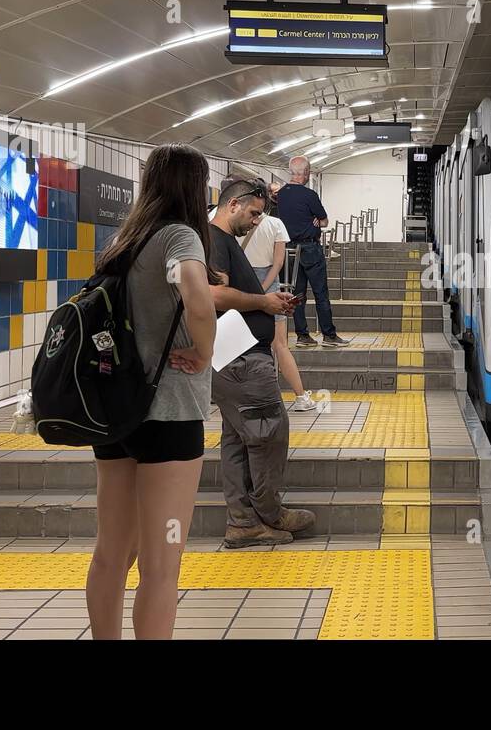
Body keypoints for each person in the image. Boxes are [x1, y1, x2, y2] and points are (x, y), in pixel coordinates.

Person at [84, 143, 219, 640]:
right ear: (194, 187)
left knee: (111, 553)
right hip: (170, 415)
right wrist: (203, 350)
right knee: (162, 566)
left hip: (117, 413)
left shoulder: (124, 239)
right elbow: (196, 296)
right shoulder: (180, 236)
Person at [204, 179, 315, 547]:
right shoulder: (215, 240)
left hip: (228, 357)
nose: (255, 222)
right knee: (269, 432)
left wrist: (268, 302)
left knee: (236, 439)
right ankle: (271, 513)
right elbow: (215, 295)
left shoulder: (217, 241)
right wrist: (265, 303)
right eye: (253, 214)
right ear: (233, 204)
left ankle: (242, 522)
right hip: (242, 360)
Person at [238, 178, 318, 412]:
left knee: (236, 341)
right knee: (280, 345)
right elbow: (278, 262)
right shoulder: (275, 224)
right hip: (268, 283)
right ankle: (301, 397)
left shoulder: (229, 220)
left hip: (238, 283)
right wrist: (263, 289)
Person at [276, 156, 350, 348]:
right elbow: (324, 221)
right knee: (320, 293)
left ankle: (302, 336)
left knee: (297, 294)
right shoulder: (309, 195)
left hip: (289, 250)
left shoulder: (280, 195)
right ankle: (329, 336)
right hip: (310, 248)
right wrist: (316, 221)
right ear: (306, 173)